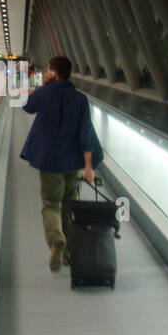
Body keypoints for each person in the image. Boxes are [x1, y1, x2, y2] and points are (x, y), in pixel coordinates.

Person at [20, 55, 104, 272]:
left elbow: (27, 106)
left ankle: (57, 240)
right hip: (74, 162)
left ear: (53, 72)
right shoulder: (79, 99)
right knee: (68, 204)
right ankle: (66, 254)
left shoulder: (44, 92)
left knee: (51, 204)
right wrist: (88, 167)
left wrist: (44, 85)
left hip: (49, 160)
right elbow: (86, 134)